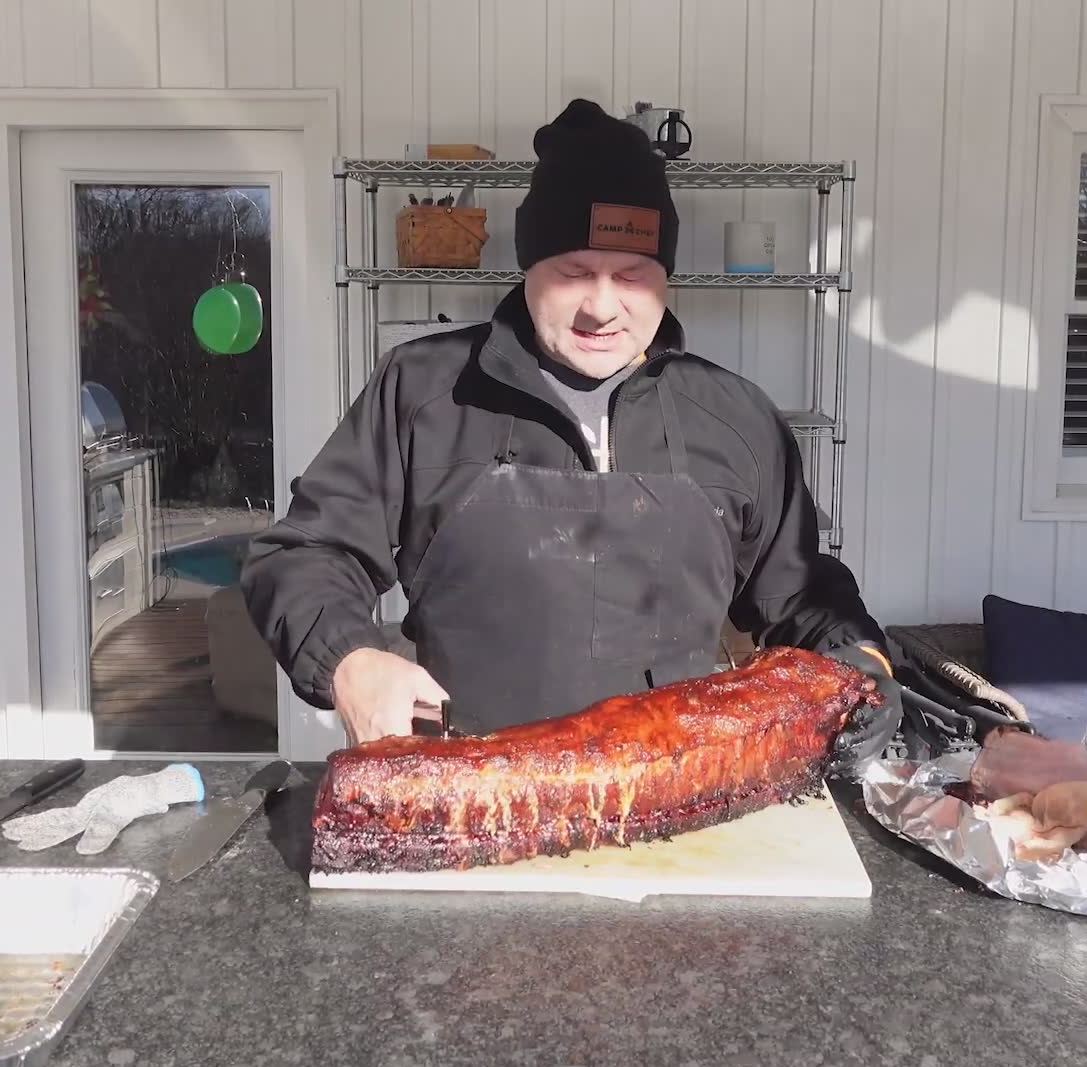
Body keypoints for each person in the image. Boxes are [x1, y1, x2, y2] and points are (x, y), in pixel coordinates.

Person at [241, 98, 904, 771]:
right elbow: (307, 552)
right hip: (472, 789)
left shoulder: (736, 417)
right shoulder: (424, 391)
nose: (602, 307)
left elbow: (800, 594)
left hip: (674, 789)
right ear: (528, 265)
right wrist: (349, 659)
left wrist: (859, 664)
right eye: (574, 273)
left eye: (633, 276)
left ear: (667, 278)